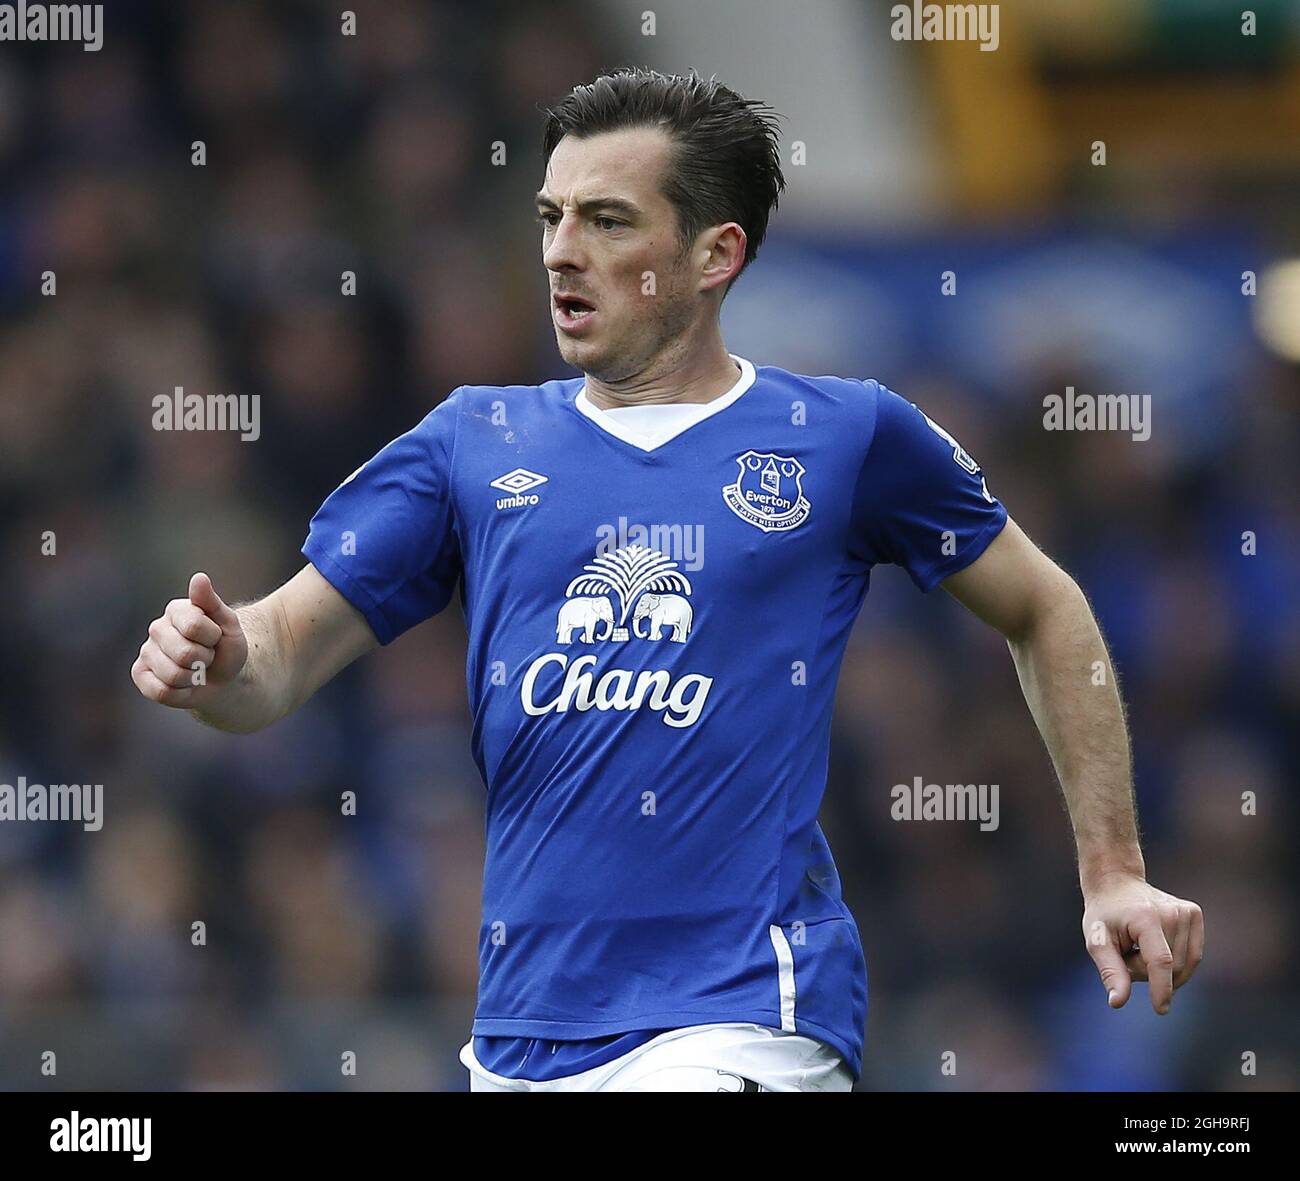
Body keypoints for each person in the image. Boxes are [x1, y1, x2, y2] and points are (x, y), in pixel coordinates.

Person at [131, 68, 1204, 1093]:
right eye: (550, 217)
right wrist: (215, 657)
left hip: (739, 1014)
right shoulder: (471, 442)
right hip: (517, 1035)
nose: (560, 252)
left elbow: (1045, 604)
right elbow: (273, 661)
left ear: (712, 254)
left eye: (605, 221)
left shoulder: (842, 435)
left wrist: (1110, 865)